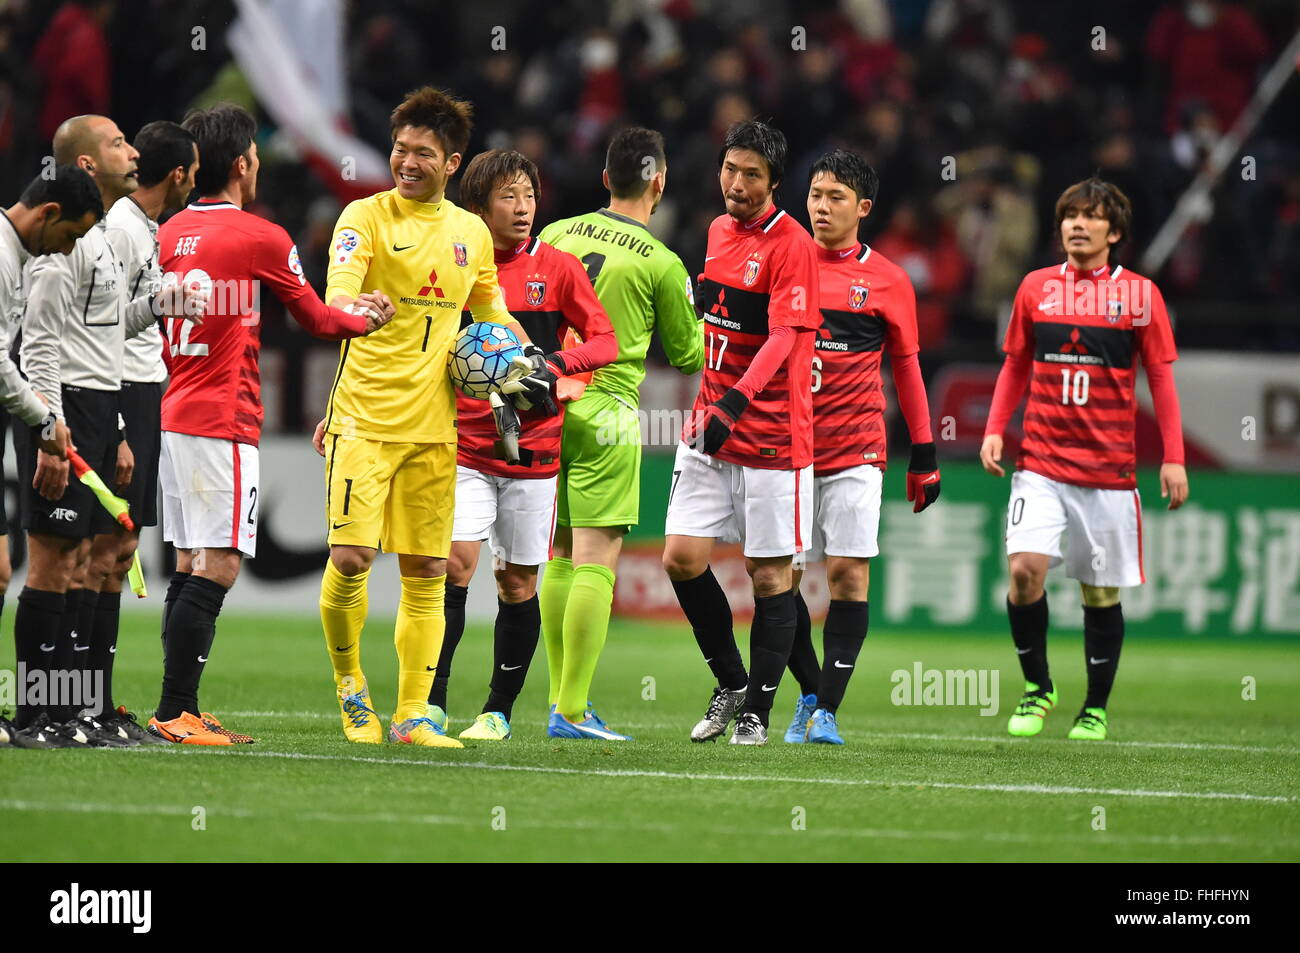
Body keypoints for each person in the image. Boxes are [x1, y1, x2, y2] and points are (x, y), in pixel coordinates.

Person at [149, 103, 391, 746]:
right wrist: (366, 316)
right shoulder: (260, 235)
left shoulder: (167, 233)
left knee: (190, 561)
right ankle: (177, 710)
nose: (258, 164)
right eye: (254, 154)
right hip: (223, 419)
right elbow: (315, 318)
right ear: (240, 164)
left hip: (173, 414)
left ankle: (177, 709)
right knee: (221, 563)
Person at [313, 87, 525, 749]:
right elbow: (337, 295)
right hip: (364, 420)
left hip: (435, 429)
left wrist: (529, 360)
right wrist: (356, 310)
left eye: (422, 153)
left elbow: (493, 316)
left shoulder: (469, 234)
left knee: (428, 572)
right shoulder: (364, 217)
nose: (406, 161)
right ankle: (352, 691)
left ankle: (412, 714)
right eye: (400, 149)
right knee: (350, 558)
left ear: (452, 162)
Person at [980, 176, 1188, 742]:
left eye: (1090, 216)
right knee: (1024, 571)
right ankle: (1038, 686)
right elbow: (1016, 363)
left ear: (1113, 231)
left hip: (1108, 472)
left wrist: (1174, 457)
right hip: (1041, 463)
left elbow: (1162, 377)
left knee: (1099, 593)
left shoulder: (1141, 296)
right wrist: (997, 427)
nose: (1076, 223)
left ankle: (1094, 706)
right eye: (1070, 215)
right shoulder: (1035, 288)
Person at [417, 149, 616, 741]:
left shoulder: (557, 268)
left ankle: (498, 712)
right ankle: (431, 701)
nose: (523, 207)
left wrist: (554, 364)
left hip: (536, 450)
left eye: (528, 194)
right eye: (508, 195)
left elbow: (605, 341)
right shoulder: (452, 266)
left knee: (518, 582)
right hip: (464, 447)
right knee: (452, 564)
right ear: (477, 207)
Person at [13, 115, 182, 749]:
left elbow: (101, 336)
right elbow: (45, 347)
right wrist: (54, 428)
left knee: (88, 561)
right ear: (85, 165)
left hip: (96, 406)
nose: (133, 151)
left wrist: (114, 426)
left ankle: (76, 711)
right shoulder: (68, 244)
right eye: (117, 144)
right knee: (56, 565)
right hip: (62, 408)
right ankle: (37, 714)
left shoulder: (103, 237)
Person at [536, 126, 703, 741]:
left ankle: (561, 700)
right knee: (595, 557)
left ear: (605, 179)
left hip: (546, 402)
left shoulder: (555, 233)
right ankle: (572, 710)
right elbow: (688, 356)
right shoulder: (661, 261)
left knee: (555, 552)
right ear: (659, 180)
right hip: (607, 409)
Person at [662, 119, 821, 746]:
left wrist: (736, 399)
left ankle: (758, 708)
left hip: (772, 436)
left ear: (774, 182)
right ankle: (730, 682)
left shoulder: (793, 245)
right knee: (681, 558)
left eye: (752, 174)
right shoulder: (716, 231)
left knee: (768, 575)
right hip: (710, 426)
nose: (737, 182)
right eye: (731, 169)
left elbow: (784, 337)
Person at [779, 149, 940, 746]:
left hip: (855, 449)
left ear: (863, 208)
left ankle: (827, 712)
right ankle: (811, 690)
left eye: (836, 197)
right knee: (778, 581)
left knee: (847, 574)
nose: (821, 207)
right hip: (784, 449)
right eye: (816, 195)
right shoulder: (782, 262)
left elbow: (908, 370)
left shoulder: (889, 280)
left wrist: (923, 455)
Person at [94, 120, 198, 745]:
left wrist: (165, 301)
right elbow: (103, 333)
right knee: (101, 553)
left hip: (139, 390)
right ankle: (75, 704)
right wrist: (120, 425)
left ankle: (94, 704)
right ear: (181, 173)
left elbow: (129, 316)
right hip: (123, 394)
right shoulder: (126, 230)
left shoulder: (143, 228)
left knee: (117, 552)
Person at [0, 165, 96, 748]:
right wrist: (44, 419)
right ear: (49, 214)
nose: (69, 249)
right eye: (70, 236)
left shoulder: (18, 257)